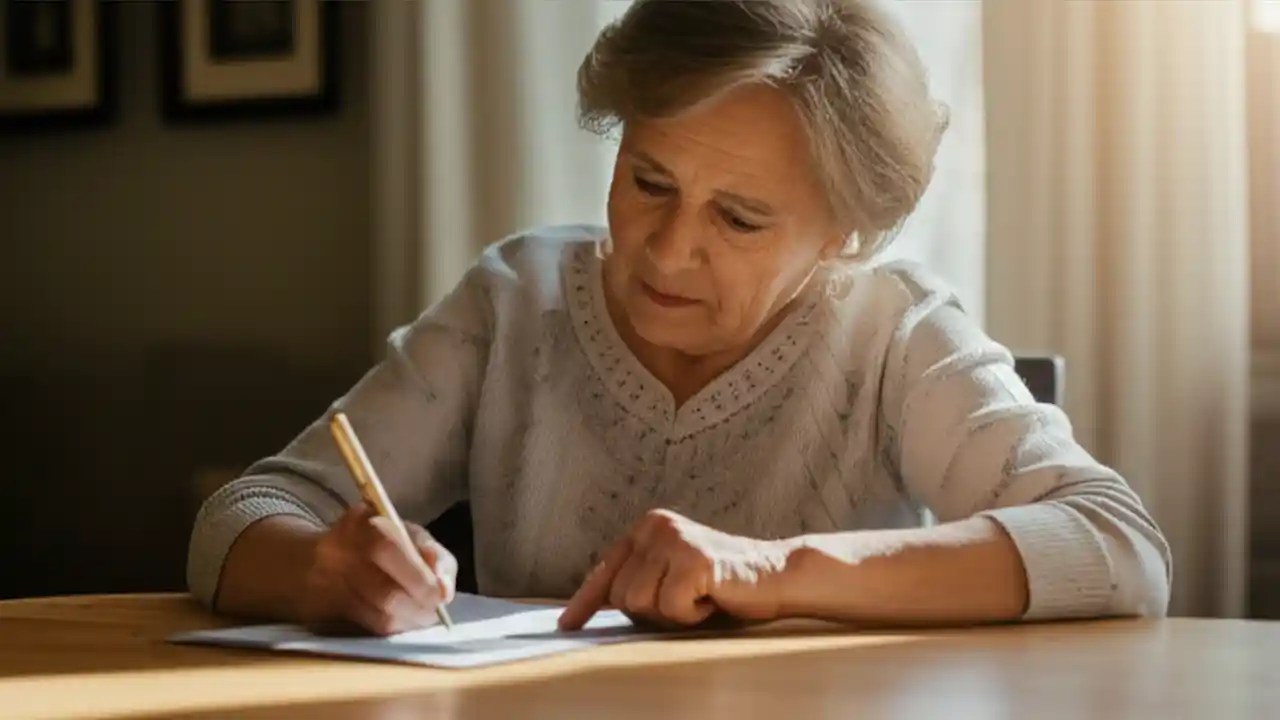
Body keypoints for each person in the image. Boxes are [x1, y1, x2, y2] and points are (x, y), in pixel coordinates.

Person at [188, 0, 1170, 635]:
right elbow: (239, 516)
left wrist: (775, 568)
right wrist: (319, 571)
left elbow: (1118, 545)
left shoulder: (894, 334)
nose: (664, 251)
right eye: (648, 181)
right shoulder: (515, 300)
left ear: (842, 236)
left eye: (737, 219)